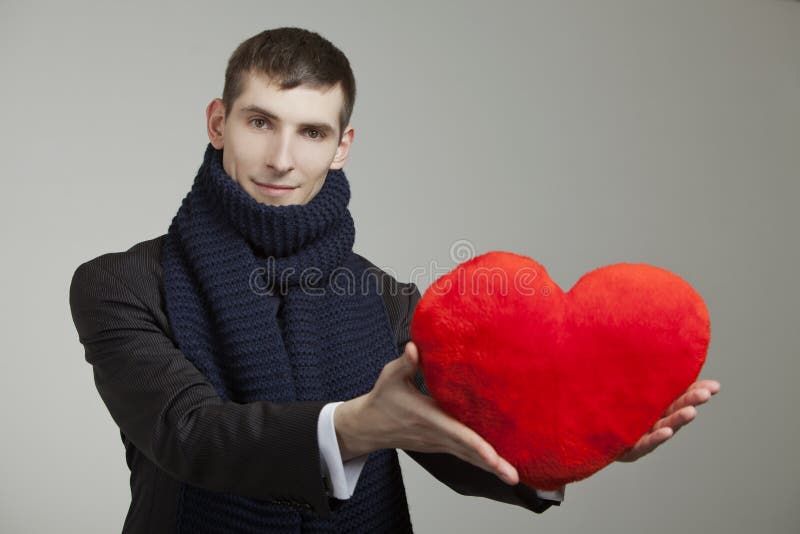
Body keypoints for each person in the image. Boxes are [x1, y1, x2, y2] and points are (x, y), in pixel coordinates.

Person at [68, 27, 720, 533]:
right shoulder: (119, 285)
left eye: (311, 132)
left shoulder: (382, 298)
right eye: (260, 122)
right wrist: (358, 427)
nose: (282, 158)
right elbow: (192, 436)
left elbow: (455, 440)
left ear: (342, 147)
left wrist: (583, 444)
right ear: (218, 122)